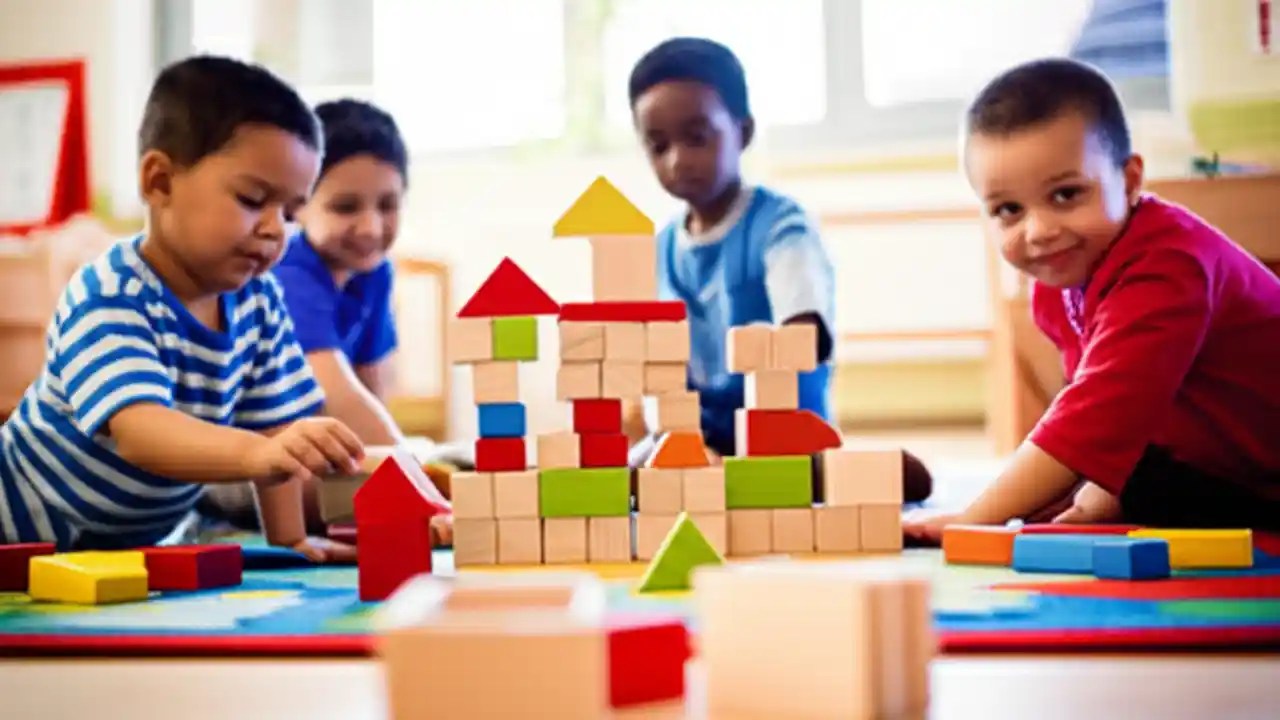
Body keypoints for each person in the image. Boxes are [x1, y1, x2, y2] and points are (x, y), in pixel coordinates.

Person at [0, 55, 362, 562]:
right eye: (253, 199)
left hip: (127, 547)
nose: (276, 229)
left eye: (291, 212)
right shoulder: (110, 293)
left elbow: (278, 431)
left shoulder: (260, 302)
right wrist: (255, 453)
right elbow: (139, 431)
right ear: (160, 182)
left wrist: (291, 539)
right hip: (17, 524)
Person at [905, 58, 1280, 542]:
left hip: (1262, 468)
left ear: (1128, 181)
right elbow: (1108, 415)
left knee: (1135, 486)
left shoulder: (1167, 266)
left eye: (1065, 195)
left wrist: (971, 518)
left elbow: (1095, 420)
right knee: (1118, 486)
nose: (1039, 232)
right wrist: (1091, 493)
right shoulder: (1059, 286)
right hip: (1229, 461)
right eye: (1008, 210)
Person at [626, 36, 933, 502]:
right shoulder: (661, 246)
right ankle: (717, 474)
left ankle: (766, 476)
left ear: (743, 132)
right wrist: (669, 433)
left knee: (821, 475)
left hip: (783, 433)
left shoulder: (780, 226)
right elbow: (655, 367)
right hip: (698, 439)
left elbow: (802, 334)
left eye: (696, 137)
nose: (677, 160)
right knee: (626, 474)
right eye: (658, 145)